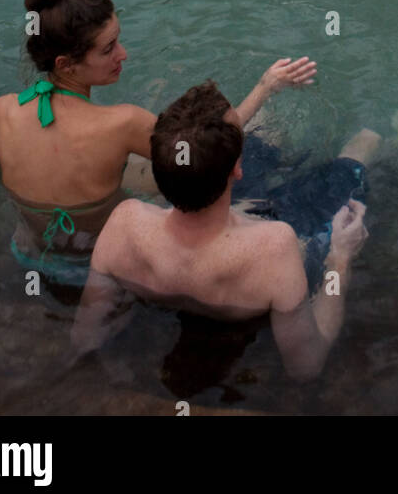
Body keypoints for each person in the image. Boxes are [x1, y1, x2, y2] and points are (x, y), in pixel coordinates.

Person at [0, 0, 317, 285]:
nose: (124, 54)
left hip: (31, 257)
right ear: (66, 65)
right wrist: (266, 87)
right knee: (260, 141)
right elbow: (209, 142)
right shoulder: (121, 123)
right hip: (105, 267)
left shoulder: (2, 110)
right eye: (108, 49)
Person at [72, 81, 376, 380]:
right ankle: (383, 130)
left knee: (259, 135)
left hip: (221, 199)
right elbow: (306, 366)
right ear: (236, 169)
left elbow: (86, 337)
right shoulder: (275, 246)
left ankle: (265, 105)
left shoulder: (125, 223)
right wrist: (340, 259)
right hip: (256, 222)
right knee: (356, 158)